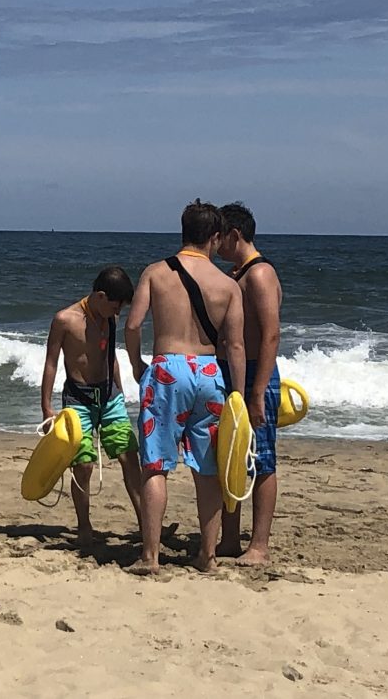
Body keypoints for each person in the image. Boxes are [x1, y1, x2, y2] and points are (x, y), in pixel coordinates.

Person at [124, 200, 245, 575]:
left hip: (166, 370)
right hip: (209, 373)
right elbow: (237, 345)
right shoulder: (227, 285)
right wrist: (237, 396)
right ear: (215, 237)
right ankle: (207, 556)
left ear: (182, 231)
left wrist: (136, 365)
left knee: (155, 466)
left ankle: (151, 557)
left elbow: (132, 326)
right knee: (207, 470)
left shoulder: (156, 273)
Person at [39, 266, 143, 545]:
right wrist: (46, 408)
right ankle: (84, 527)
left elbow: (109, 355)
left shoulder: (110, 318)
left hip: (109, 397)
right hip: (77, 399)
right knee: (83, 466)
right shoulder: (64, 320)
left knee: (128, 456)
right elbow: (50, 363)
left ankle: (147, 526)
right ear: (99, 296)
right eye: (115, 305)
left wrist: (120, 390)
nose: (117, 311)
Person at [215, 202, 283, 565]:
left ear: (234, 234)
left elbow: (271, 334)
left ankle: (259, 545)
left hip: (257, 372)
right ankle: (229, 537)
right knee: (232, 454)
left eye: (219, 236)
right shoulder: (236, 273)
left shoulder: (259, 274)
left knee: (262, 458)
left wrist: (257, 391)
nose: (215, 243)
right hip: (233, 371)